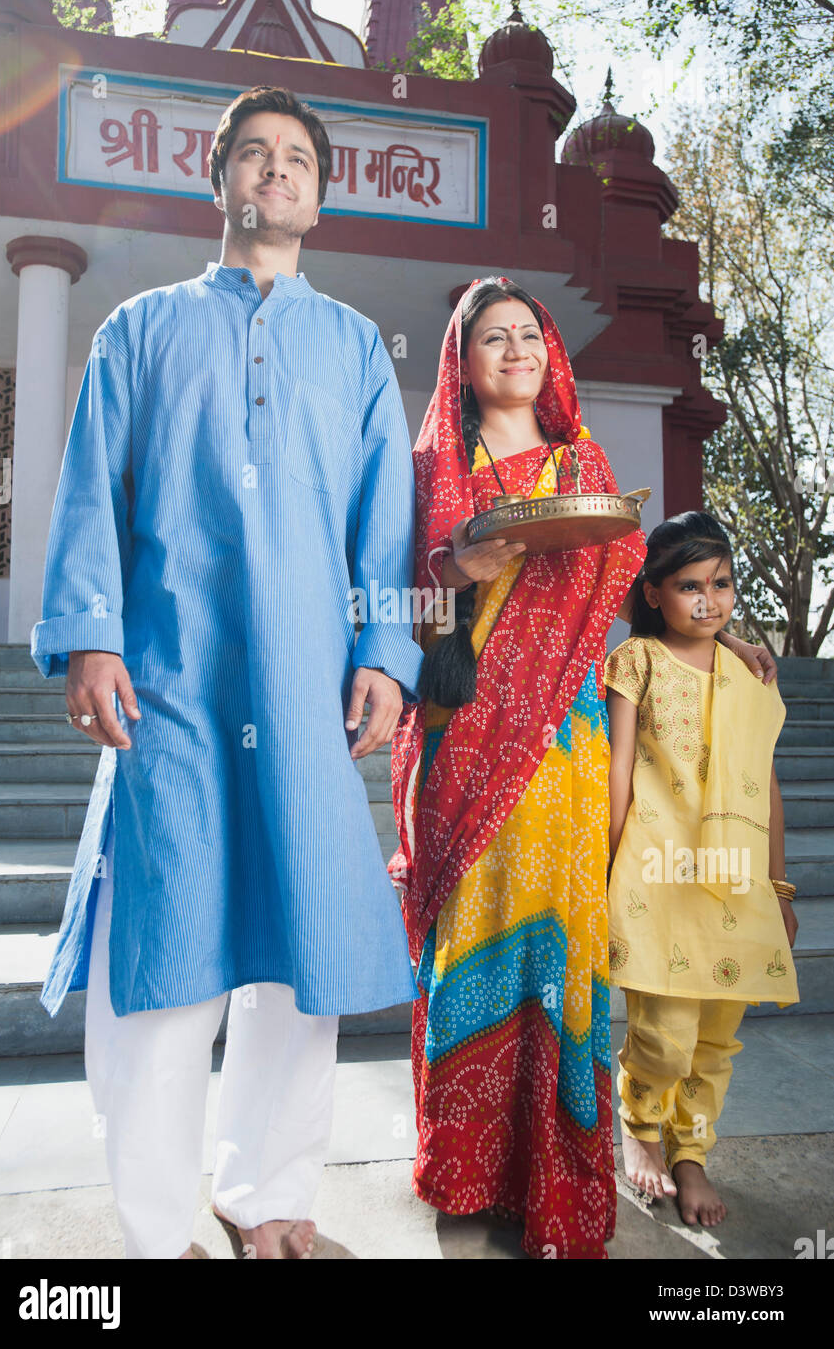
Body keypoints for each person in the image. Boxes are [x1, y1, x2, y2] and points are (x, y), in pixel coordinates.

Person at [30, 85, 422, 1260]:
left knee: (302, 963)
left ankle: (270, 1199)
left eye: (297, 157)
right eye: (253, 154)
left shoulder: (354, 348)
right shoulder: (139, 332)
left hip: (305, 691)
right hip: (174, 686)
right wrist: (92, 632)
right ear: (219, 181)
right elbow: (94, 486)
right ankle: (159, 1233)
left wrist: (387, 656)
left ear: (317, 191)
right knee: (163, 959)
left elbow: (384, 529)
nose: (276, 171)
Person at [388, 278, 777, 1260]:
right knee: (472, 932)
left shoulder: (584, 464)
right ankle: (464, 1162)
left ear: (549, 355)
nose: (513, 348)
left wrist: (726, 645)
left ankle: (554, 1166)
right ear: (461, 360)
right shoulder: (436, 465)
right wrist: (447, 572)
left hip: (564, 741)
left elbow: (648, 596)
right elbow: (395, 603)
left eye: (528, 333)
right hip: (464, 728)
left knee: (560, 937)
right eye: (491, 337)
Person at [605, 511, 799, 1227]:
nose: (708, 600)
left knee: (717, 1034)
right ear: (653, 592)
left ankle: (690, 1152)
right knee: (661, 1032)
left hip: (737, 879)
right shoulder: (635, 661)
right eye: (689, 586)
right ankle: (640, 1127)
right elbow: (618, 770)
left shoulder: (749, 674)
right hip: (658, 872)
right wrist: (610, 867)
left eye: (720, 584)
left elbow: (766, 783)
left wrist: (778, 886)